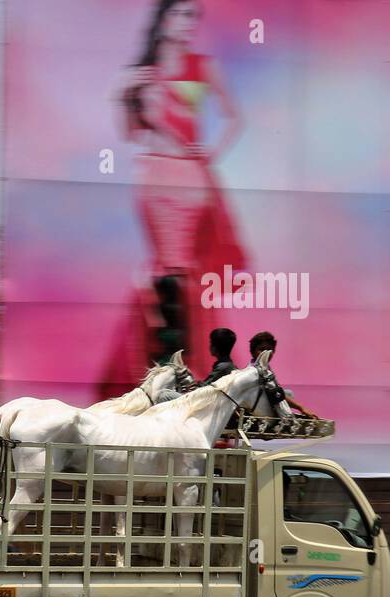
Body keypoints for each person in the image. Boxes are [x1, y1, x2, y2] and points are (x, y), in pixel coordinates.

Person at [116, 0, 246, 377]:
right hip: (153, 177)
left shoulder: (202, 67)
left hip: (190, 182)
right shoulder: (144, 73)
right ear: (164, 17)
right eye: (183, 14)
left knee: (181, 272)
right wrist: (120, 95)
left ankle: (184, 368)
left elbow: (235, 117)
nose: (190, 23)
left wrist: (210, 153)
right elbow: (130, 132)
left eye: (195, 16)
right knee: (163, 272)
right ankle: (171, 365)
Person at [248, 331, 319, 418]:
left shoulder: (266, 368)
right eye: (262, 349)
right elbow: (277, 394)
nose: (266, 353)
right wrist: (301, 408)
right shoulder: (255, 371)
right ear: (253, 352)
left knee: (288, 393)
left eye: (270, 350)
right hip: (260, 414)